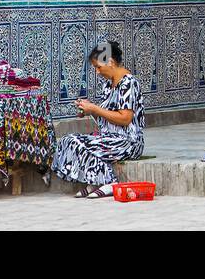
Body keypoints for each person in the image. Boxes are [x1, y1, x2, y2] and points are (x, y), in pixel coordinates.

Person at [51, 40, 145, 197]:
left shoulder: (129, 83)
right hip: (109, 138)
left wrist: (95, 108)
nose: (97, 71)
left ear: (110, 62)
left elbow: (125, 119)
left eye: (98, 67)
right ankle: (96, 181)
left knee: (76, 142)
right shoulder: (108, 85)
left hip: (128, 142)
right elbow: (106, 115)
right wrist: (89, 110)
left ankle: (109, 181)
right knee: (68, 141)